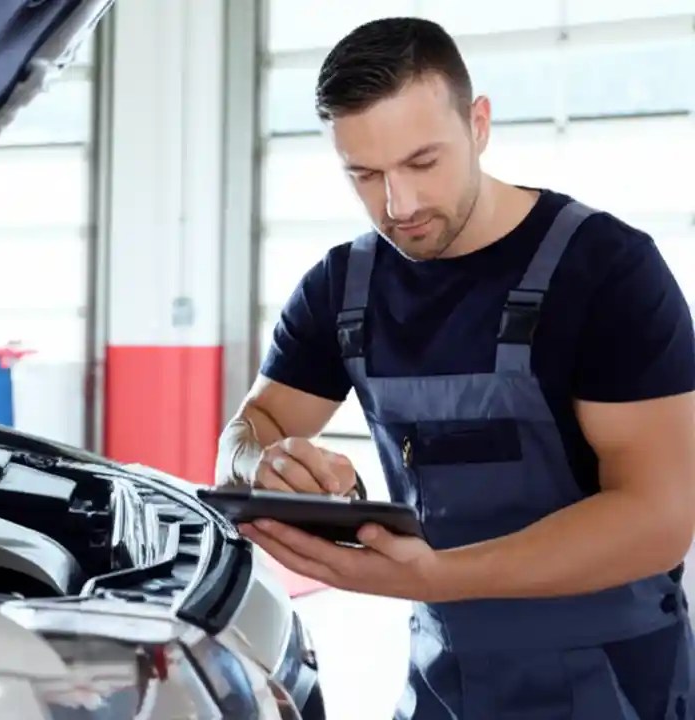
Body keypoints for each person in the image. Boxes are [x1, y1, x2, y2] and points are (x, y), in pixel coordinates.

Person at [214, 16, 695, 720]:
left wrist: (439, 574)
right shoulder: (342, 288)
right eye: (365, 175)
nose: (397, 205)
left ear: (478, 123)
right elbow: (248, 429)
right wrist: (260, 462)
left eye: (421, 163)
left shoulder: (609, 273)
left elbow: (659, 518)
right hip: (442, 683)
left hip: (617, 684)